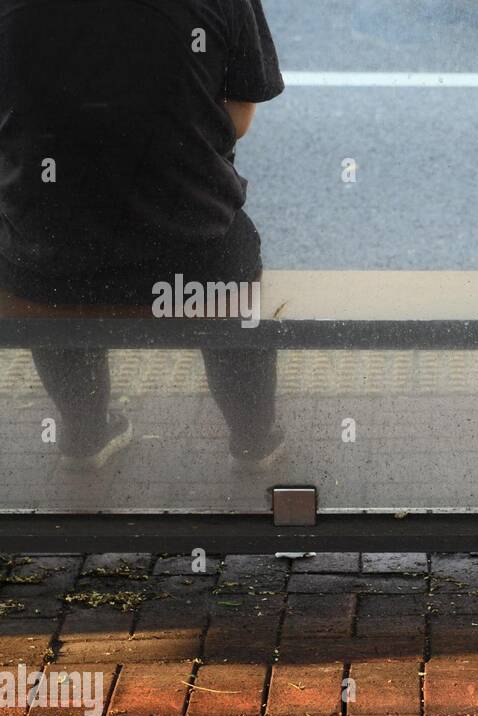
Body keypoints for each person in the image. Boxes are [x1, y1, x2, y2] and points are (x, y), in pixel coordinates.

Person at [0, 0, 286, 471]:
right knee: (230, 262)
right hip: (191, 255)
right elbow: (239, 116)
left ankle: (86, 433)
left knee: (44, 230)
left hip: (46, 259)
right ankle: (253, 438)